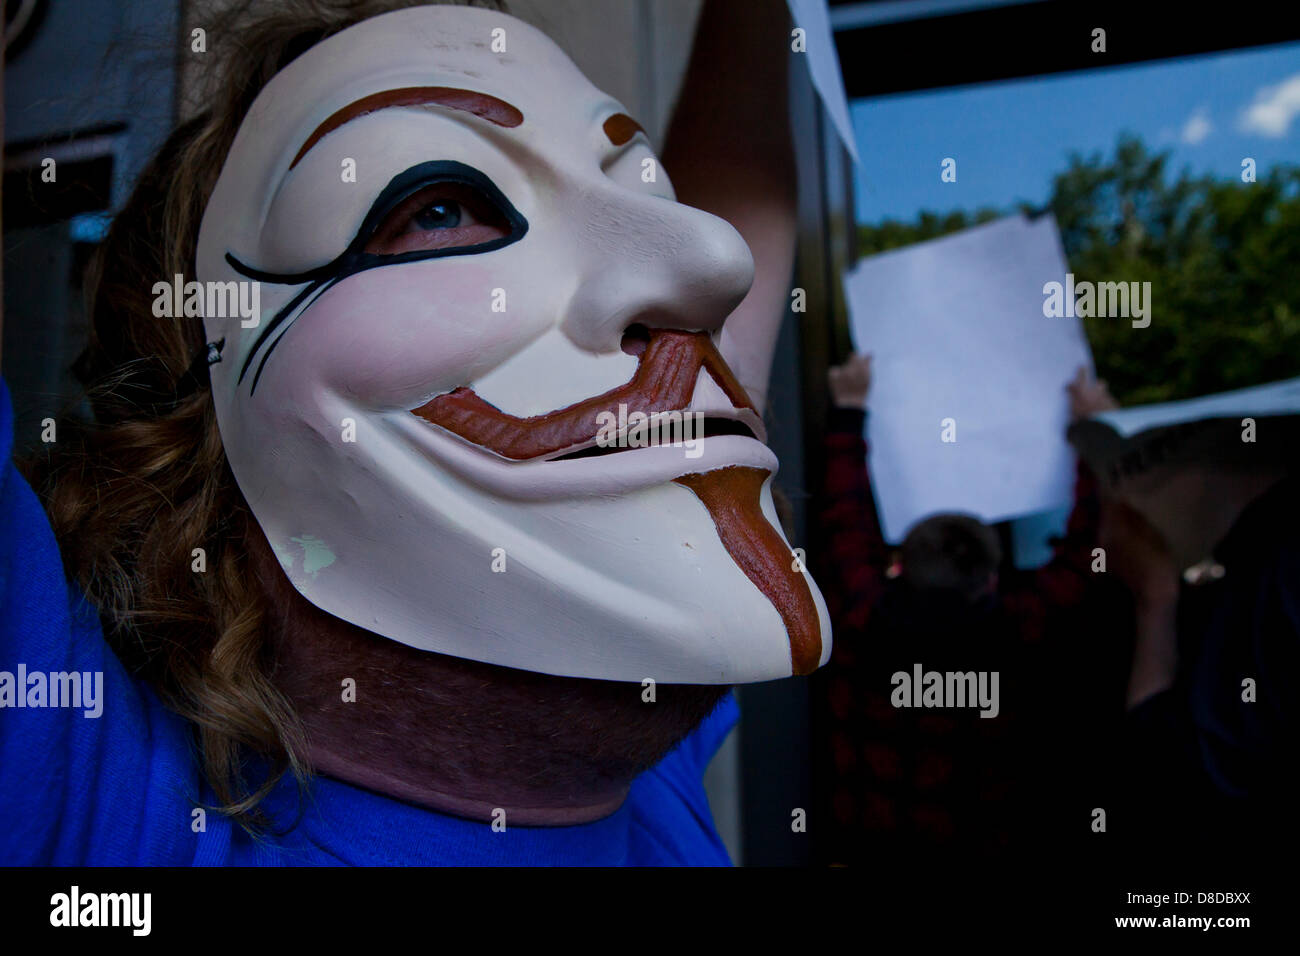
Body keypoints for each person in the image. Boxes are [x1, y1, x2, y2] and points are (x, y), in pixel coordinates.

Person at [0, 0, 821, 865]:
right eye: (439, 205)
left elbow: (739, 186)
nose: (713, 258)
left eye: (647, 190)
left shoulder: (625, 742)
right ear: (192, 421)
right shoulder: (96, 808)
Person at [816, 352, 1129, 863]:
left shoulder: (858, 616)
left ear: (902, 564)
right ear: (989, 579)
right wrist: (1093, 433)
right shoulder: (1026, 629)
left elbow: (843, 520)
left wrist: (850, 408)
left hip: (869, 848)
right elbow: (1082, 556)